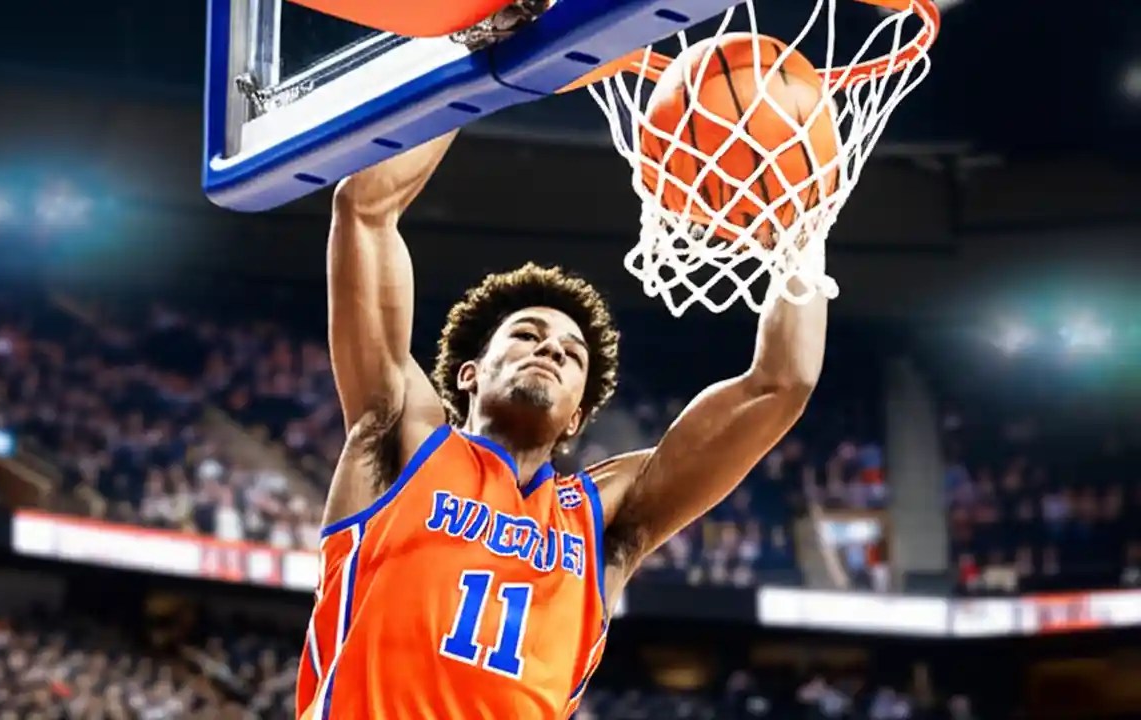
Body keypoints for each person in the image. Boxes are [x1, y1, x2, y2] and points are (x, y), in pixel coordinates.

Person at [296, 131, 827, 719]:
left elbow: (782, 384)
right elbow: (365, 210)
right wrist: (474, 75)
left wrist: (802, 233)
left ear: (576, 416)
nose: (550, 349)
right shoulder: (404, 437)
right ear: (469, 374)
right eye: (526, 335)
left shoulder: (603, 516)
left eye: (572, 353)